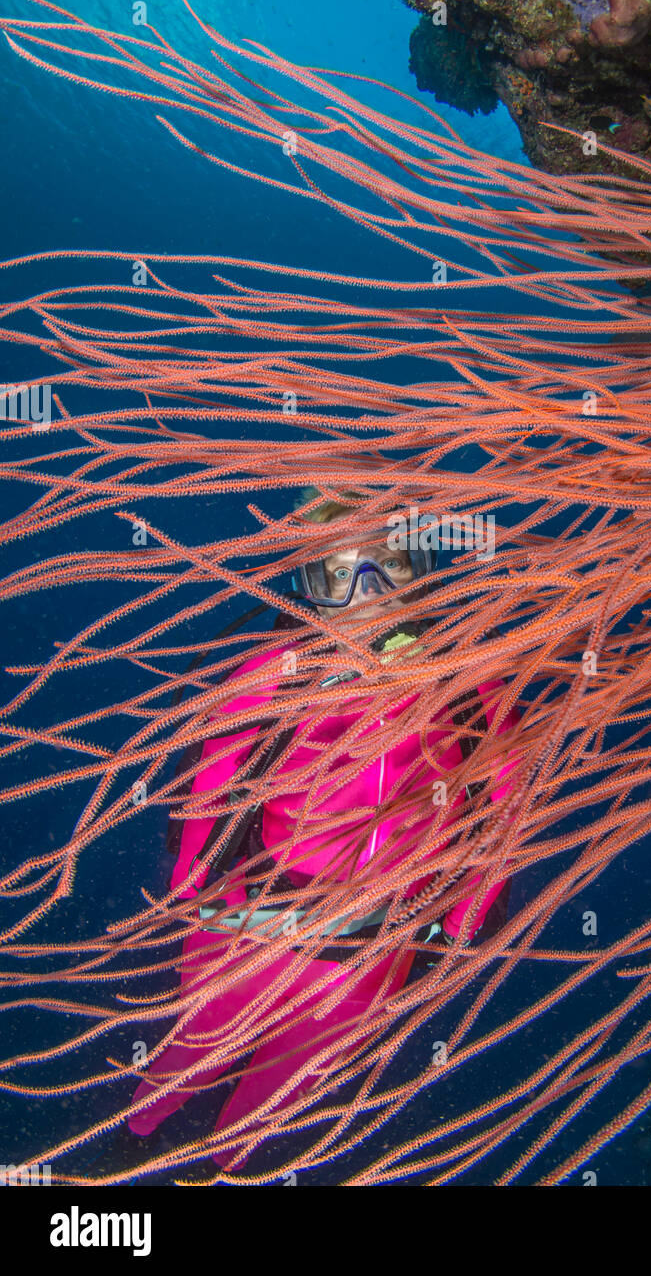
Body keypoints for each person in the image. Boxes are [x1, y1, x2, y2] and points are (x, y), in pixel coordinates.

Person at [123, 494, 521, 1170]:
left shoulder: (471, 686)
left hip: (364, 949)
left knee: (261, 1118)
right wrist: (193, 894)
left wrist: (459, 925)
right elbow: (211, 785)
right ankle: (114, 1171)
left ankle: (212, 1172)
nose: (368, 593)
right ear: (306, 585)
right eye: (338, 574)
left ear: (423, 572)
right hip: (242, 924)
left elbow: (502, 816)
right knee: (171, 1076)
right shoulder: (271, 677)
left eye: (391, 567)